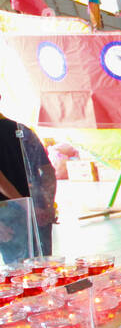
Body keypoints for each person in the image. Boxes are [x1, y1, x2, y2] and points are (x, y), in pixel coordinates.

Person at [0, 95, 56, 256]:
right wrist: (48, 206)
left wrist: (27, 208)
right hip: (39, 210)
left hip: (9, 214)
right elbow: (48, 171)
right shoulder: (22, 130)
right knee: (43, 263)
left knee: (19, 267)